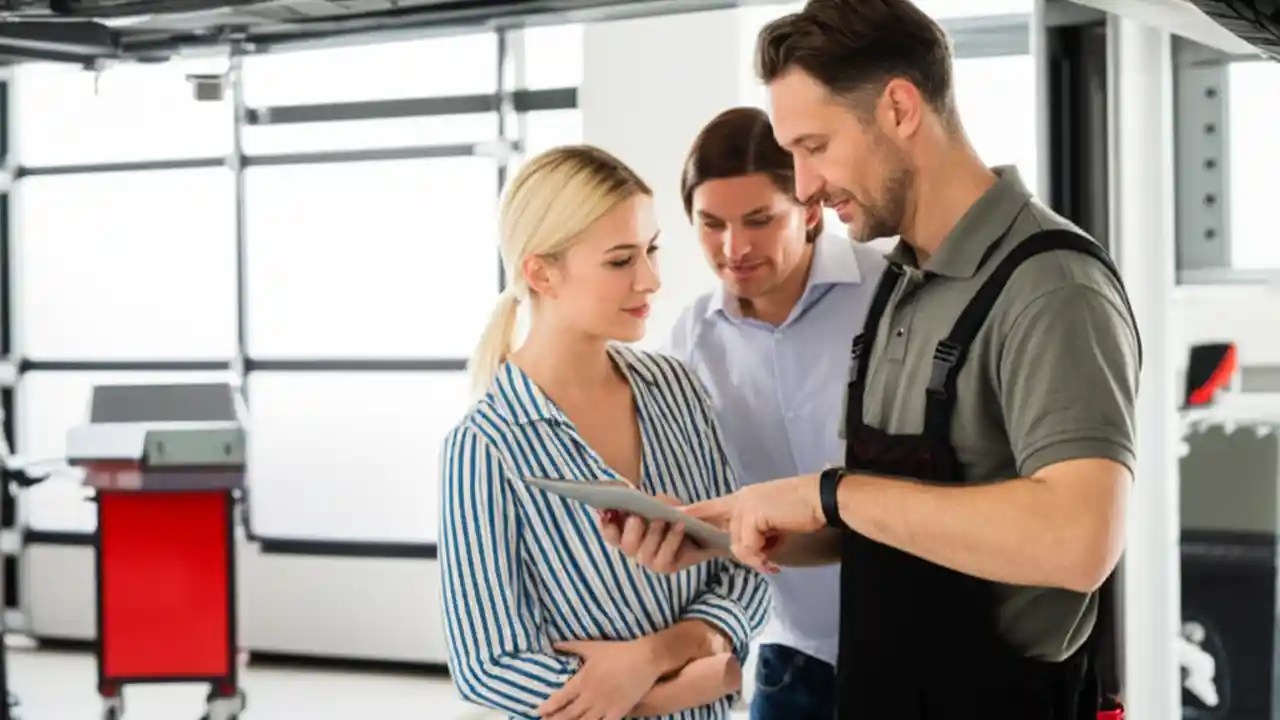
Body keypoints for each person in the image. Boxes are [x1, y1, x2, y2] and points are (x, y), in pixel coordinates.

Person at [615, 1, 1142, 718]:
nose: (805, 186)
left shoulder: (1051, 286)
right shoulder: (902, 282)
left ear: (898, 108)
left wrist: (828, 491)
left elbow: (1079, 542)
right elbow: (887, 525)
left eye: (815, 147)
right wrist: (723, 530)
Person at [437, 145, 771, 720]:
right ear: (541, 273)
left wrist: (657, 655)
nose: (651, 280)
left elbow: (745, 564)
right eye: (621, 261)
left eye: (651, 250)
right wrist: (675, 692)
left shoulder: (675, 387)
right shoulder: (485, 446)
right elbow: (489, 665)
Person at [601, 106, 885, 720]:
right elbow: (695, 487)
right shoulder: (691, 340)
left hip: (911, 639)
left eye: (760, 220)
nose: (734, 248)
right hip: (788, 652)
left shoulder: (889, 294)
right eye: (712, 224)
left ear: (811, 209)